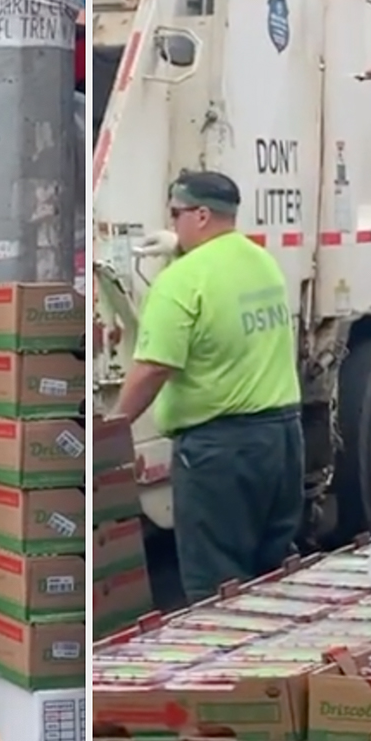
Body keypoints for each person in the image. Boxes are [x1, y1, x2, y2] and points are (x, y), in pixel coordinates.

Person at [113, 170, 304, 604]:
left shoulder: (181, 282)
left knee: (218, 589)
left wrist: (113, 425)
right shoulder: (263, 263)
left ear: (200, 216)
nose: (172, 222)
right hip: (281, 442)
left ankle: (230, 651)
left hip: (221, 453)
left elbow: (153, 368)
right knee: (273, 576)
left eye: (175, 214)